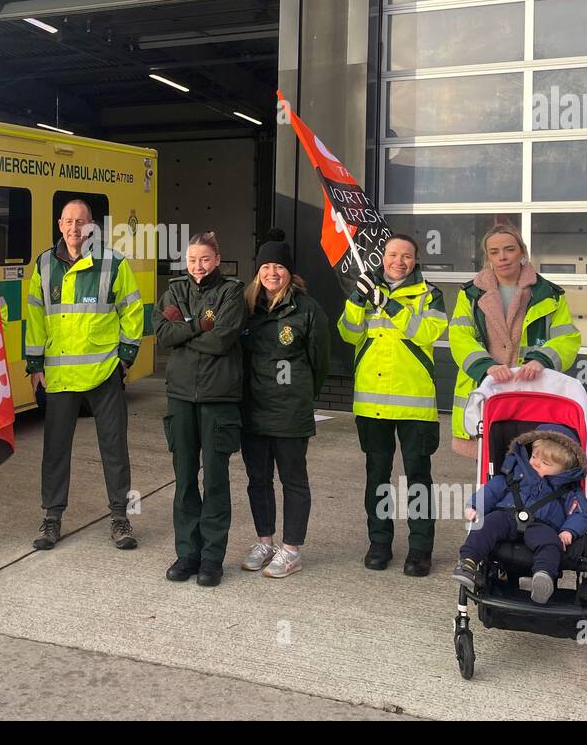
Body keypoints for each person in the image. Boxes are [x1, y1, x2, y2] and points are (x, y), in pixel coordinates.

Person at [25, 199, 145, 552]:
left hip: (104, 372)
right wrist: (33, 367)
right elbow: (34, 318)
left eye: (81, 221)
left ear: (92, 225)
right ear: (59, 224)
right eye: (68, 221)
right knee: (55, 451)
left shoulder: (114, 262)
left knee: (115, 449)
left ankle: (121, 518)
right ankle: (51, 518)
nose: (74, 228)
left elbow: (133, 310)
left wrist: (125, 357)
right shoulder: (44, 265)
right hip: (60, 376)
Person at [338, 234, 448, 577]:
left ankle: (420, 550)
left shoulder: (430, 294)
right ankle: (379, 543)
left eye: (407, 256)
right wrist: (359, 298)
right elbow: (348, 333)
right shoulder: (366, 290)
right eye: (392, 255)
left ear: (416, 260)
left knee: (418, 478)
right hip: (372, 404)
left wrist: (390, 304)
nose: (399, 261)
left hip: (414, 405)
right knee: (378, 477)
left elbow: (427, 332)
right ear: (382, 257)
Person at [155, 231, 245, 587]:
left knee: (216, 481)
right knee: (185, 480)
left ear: (217, 260)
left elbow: (223, 339)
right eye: (192, 260)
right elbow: (163, 334)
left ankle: (212, 558)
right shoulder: (175, 289)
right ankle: (187, 553)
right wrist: (196, 325)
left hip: (217, 399)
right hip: (180, 397)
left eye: (204, 259)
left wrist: (185, 332)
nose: (198, 266)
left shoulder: (232, 292)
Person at [238, 230, 329, 579]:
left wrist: (300, 395)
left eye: (279, 266)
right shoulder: (247, 306)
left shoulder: (307, 309)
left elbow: (319, 362)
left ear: (290, 272)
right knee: (257, 479)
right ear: (258, 270)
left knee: (293, 481)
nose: (272, 272)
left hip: (289, 411)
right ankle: (265, 542)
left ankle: (291, 550)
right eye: (265, 266)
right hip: (253, 409)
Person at [449, 224, 582, 459]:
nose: (502, 257)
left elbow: (567, 338)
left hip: (531, 389)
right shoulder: (470, 294)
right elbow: (459, 336)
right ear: (488, 257)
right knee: (488, 470)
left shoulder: (548, 294)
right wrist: (486, 367)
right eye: (494, 251)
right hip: (488, 389)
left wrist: (540, 361)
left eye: (509, 249)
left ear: (522, 251)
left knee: (533, 463)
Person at [452, 425, 587, 604]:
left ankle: (543, 577)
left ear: (563, 470)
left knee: (551, 543)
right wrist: (475, 506)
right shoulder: (514, 475)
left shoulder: (567, 490)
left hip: (542, 525)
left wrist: (568, 531)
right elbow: (491, 491)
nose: (535, 463)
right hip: (506, 515)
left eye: (545, 463)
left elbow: (582, 514)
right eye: (534, 456)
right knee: (486, 525)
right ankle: (468, 562)